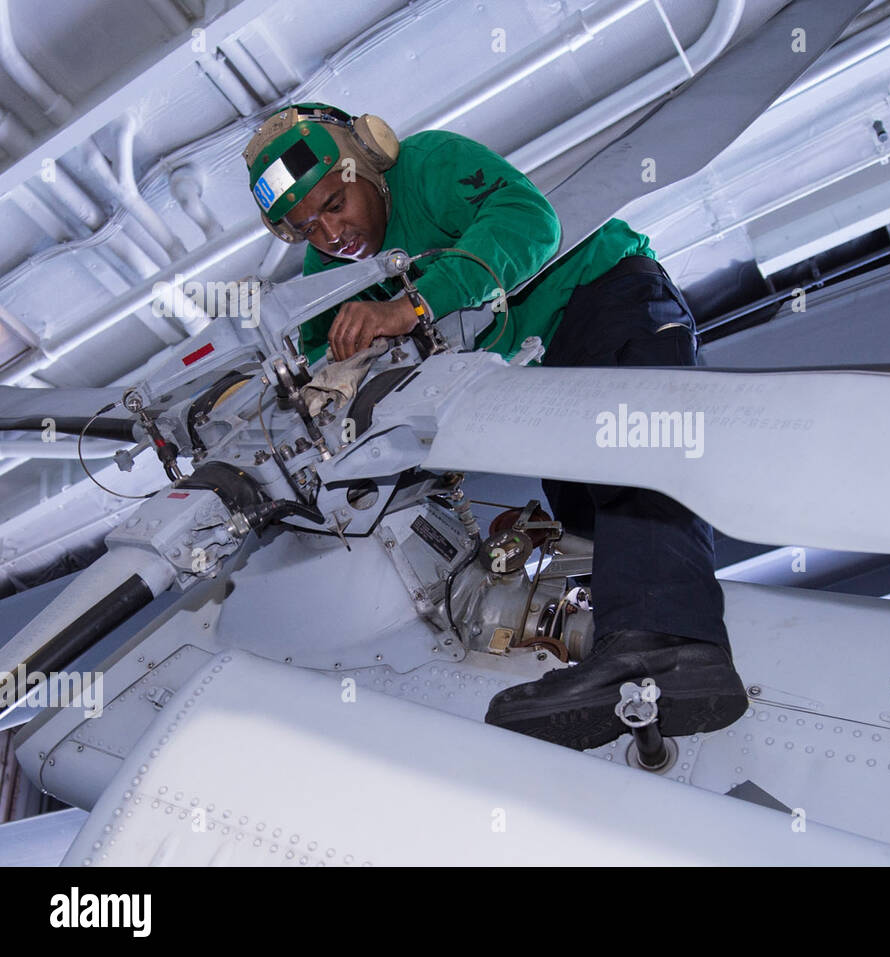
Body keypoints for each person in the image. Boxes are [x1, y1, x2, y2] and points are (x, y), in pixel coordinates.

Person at [242, 103, 748, 750]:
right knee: (584, 518)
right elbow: (314, 366)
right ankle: (618, 655)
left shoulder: (427, 163)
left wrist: (412, 304)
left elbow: (531, 222)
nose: (331, 233)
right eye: (307, 228)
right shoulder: (329, 276)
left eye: (336, 204)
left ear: (364, 160)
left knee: (634, 471)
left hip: (603, 297)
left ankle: (676, 649)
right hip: (538, 369)